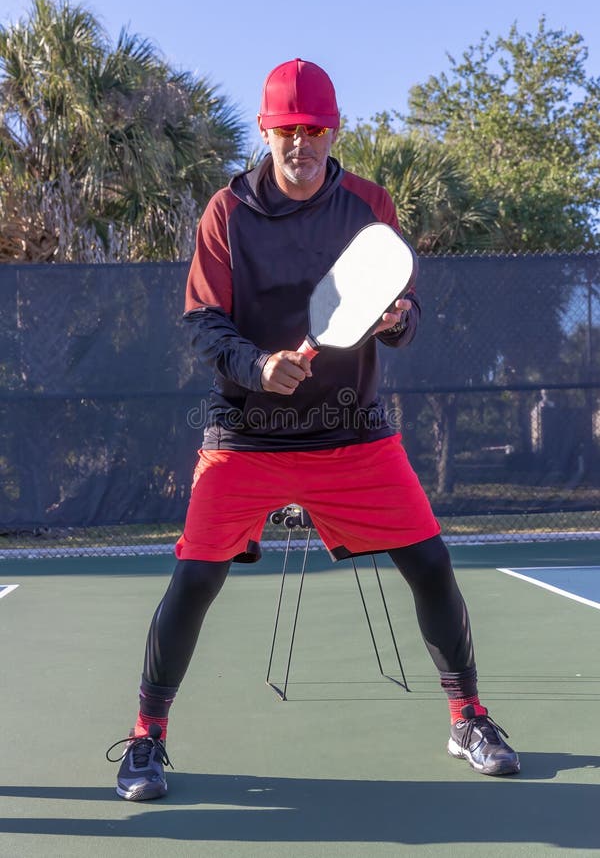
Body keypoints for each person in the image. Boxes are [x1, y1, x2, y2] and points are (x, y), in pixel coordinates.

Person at [106, 58, 520, 800]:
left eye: (315, 130)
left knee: (430, 563)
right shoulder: (226, 213)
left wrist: (396, 320)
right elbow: (203, 322)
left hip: (351, 432)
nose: (301, 143)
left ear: (334, 131)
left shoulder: (368, 205)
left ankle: (468, 719)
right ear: (265, 131)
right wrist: (258, 366)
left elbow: (403, 312)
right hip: (246, 435)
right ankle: (146, 737)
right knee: (196, 577)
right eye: (287, 130)